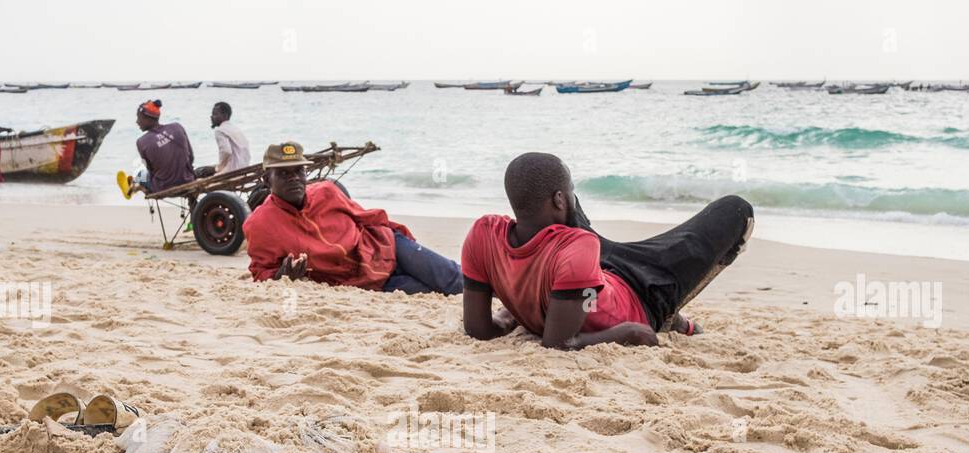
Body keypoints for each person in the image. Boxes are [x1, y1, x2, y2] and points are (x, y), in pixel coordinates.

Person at [461, 152, 753, 349]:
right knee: (735, 209)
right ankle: (674, 320)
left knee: (573, 224)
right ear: (559, 200)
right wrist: (627, 332)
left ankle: (677, 321)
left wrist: (510, 315)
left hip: (592, 271)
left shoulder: (482, 234)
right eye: (568, 193)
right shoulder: (578, 246)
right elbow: (560, 343)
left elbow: (479, 329)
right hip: (643, 292)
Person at [243, 141, 462, 295]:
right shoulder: (260, 224)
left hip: (386, 246)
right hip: (359, 279)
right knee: (433, 290)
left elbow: (366, 217)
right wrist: (282, 275)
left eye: (298, 171)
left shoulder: (326, 191)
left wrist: (404, 240)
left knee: (452, 278)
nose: (294, 179)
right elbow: (261, 271)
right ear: (266, 179)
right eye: (283, 174)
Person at [132, 99, 196, 195]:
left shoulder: (142, 142)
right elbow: (191, 157)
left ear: (148, 118)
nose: (137, 122)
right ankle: (135, 187)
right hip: (187, 179)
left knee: (140, 174)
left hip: (162, 187)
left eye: (139, 117)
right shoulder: (177, 127)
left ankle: (134, 187)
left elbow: (151, 170)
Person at [210, 101, 250, 174]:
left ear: (225, 115)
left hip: (232, 171)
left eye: (215, 114)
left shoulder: (220, 130)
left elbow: (226, 151)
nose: (211, 117)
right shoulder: (235, 129)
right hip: (244, 168)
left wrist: (219, 168)